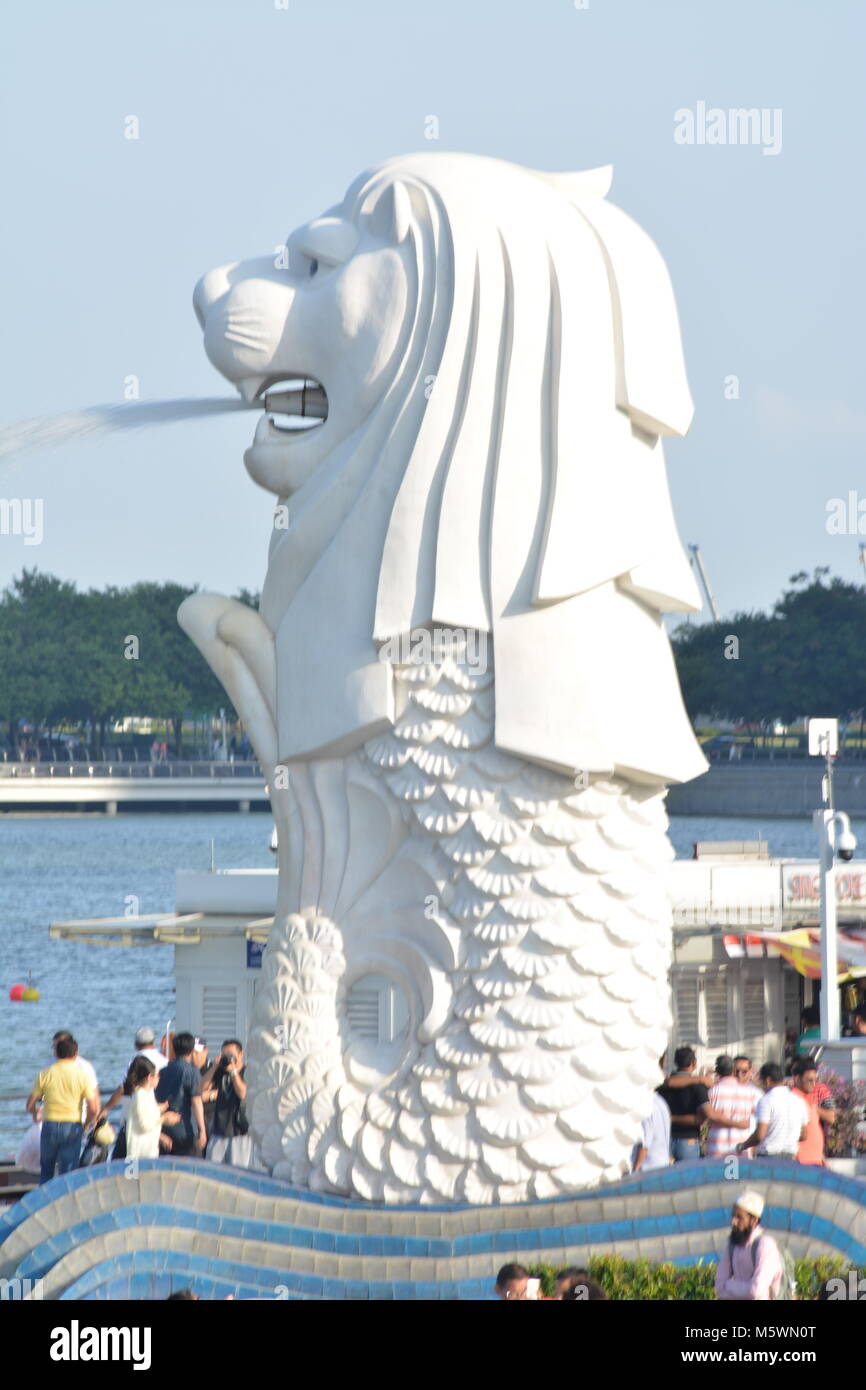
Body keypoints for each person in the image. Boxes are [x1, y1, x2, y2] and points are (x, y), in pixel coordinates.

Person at [27, 1036, 99, 1183]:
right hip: (72, 1126)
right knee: (69, 1171)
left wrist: (35, 1114)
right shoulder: (82, 1076)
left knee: (46, 1169)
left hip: (49, 1125)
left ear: (56, 1053)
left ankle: (44, 1203)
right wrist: (86, 1125)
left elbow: (29, 1104)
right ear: (75, 1053)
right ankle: (67, 1204)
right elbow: (93, 1108)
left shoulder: (45, 1074)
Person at [659, 1047, 741, 1160]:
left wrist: (669, 1118)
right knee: (689, 1176)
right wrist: (739, 1124)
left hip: (665, 1139)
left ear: (675, 1062)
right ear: (694, 1063)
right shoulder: (698, 1086)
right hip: (688, 1139)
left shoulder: (662, 1084)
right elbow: (703, 1117)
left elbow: (669, 1082)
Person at [95, 1027, 168, 1135]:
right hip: (158, 1111)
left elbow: (123, 1087)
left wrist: (106, 1109)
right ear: (153, 1042)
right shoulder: (164, 1060)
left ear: (136, 1044)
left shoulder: (134, 1061)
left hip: (137, 1116)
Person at [715, 1191, 785, 1301]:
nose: (733, 1221)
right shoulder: (733, 1245)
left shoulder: (765, 1245)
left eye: (739, 1217)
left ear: (754, 1220)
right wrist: (746, 1287)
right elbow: (719, 1288)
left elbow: (757, 1290)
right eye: (733, 1216)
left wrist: (730, 1285)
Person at [737, 1062, 808, 1160]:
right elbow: (804, 1135)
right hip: (791, 1157)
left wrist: (743, 1146)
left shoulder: (766, 1100)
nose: (761, 1085)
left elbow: (759, 1135)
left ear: (768, 1080)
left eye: (761, 1081)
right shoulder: (799, 1101)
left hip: (769, 1157)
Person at [155, 1032, 207, 1157]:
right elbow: (196, 1101)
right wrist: (202, 1130)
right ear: (191, 1050)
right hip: (186, 1130)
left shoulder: (163, 1071)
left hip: (165, 1130)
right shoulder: (192, 1072)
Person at [202, 1040, 253, 1165]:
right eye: (224, 1054)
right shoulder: (220, 1071)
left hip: (239, 1134)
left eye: (230, 1054)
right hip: (218, 1132)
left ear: (241, 1054)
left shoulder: (248, 1072)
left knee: (239, 1174)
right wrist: (214, 1067)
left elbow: (243, 1094)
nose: (228, 1057)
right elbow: (201, 1089)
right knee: (212, 1172)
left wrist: (234, 1072)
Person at [705, 1055, 761, 1159]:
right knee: (739, 1175)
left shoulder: (712, 1092)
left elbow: (705, 1120)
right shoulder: (749, 1093)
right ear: (734, 1071)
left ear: (717, 1072)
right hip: (741, 1147)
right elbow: (755, 1122)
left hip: (716, 1147)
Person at [125, 1056, 178, 1159]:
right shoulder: (140, 1095)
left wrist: (161, 1108)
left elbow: (146, 1113)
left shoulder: (146, 1094)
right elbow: (145, 1124)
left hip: (148, 1152)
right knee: (135, 1175)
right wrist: (164, 1118)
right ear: (150, 1077)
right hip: (138, 1156)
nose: (159, 1078)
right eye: (157, 1076)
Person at [789, 1058, 835, 1166]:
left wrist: (820, 1156)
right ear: (797, 1079)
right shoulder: (794, 1100)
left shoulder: (808, 1099)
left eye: (815, 1080)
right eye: (810, 1080)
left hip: (814, 1159)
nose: (814, 1084)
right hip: (802, 1161)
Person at [633, 1060, 671, 1171]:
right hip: (662, 1162)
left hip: (649, 1167)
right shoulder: (659, 1101)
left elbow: (644, 1144)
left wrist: (635, 1169)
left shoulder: (645, 1106)